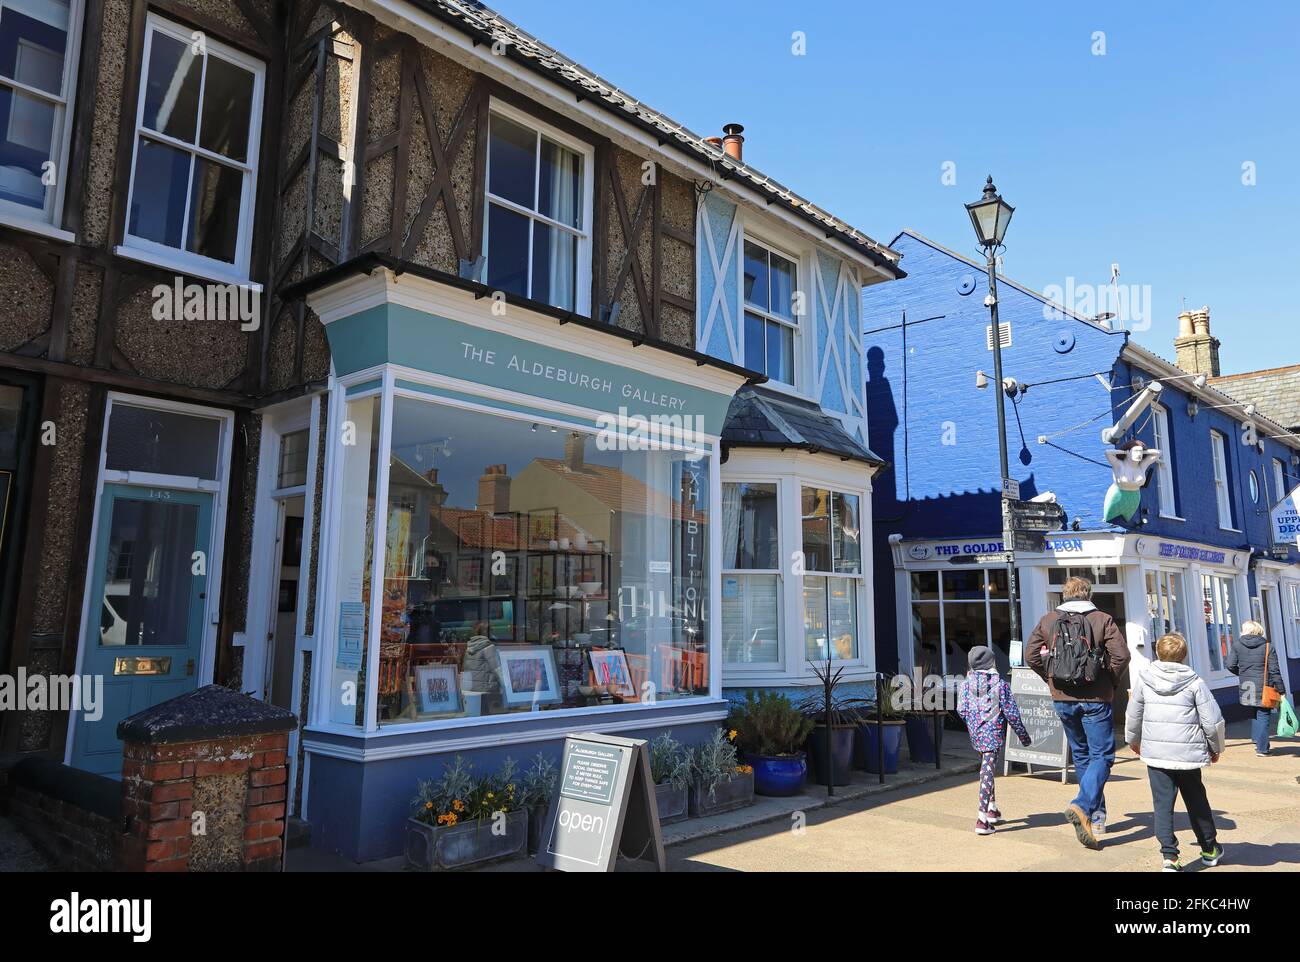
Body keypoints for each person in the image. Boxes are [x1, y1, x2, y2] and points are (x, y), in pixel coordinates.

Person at [1026, 576, 1130, 850]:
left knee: (1082, 755)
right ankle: (1084, 806)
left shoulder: (1049, 619)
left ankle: (1096, 818)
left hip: (1063, 698)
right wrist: (1109, 681)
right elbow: (1122, 656)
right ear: (1088, 593)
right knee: (1104, 756)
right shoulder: (1102, 619)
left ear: (1065, 594)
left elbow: (1031, 656)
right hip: (1096, 698)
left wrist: (1051, 678)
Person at [1124, 632, 1226, 871]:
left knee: (1162, 805)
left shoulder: (1144, 680)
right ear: (1183, 655)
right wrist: (1216, 747)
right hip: (1188, 756)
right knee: (1197, 801)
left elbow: (1134, 714)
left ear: (1158, 653)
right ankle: (1209, 848)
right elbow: (1211, 721)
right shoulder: (1195, 682)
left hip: (1157, 754)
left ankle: (1169, 857)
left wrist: (1133, 740)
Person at [957, 646, 1031, 836]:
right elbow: (1012, 714)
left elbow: (961, 710)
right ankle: (982, 819)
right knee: (987, 772)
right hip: (994, 732)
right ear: (991, 662)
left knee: (988, 769)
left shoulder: (965, 684)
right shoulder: (1000, 685)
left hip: (976, 733)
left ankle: (992, 808)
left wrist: (973, 722)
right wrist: (1023, 736)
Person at [1226, 620, 1286, 756]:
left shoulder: (1237, 645)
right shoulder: (1267, 647)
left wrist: (1242, 674)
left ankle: (1257, 740)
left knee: (1254, 712)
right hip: (1264, 686)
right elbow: (1274, 670)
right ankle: (1262, 749)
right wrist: (1282, 690)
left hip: (1247, 685)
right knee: (1263, 715)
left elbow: (1230, 665)